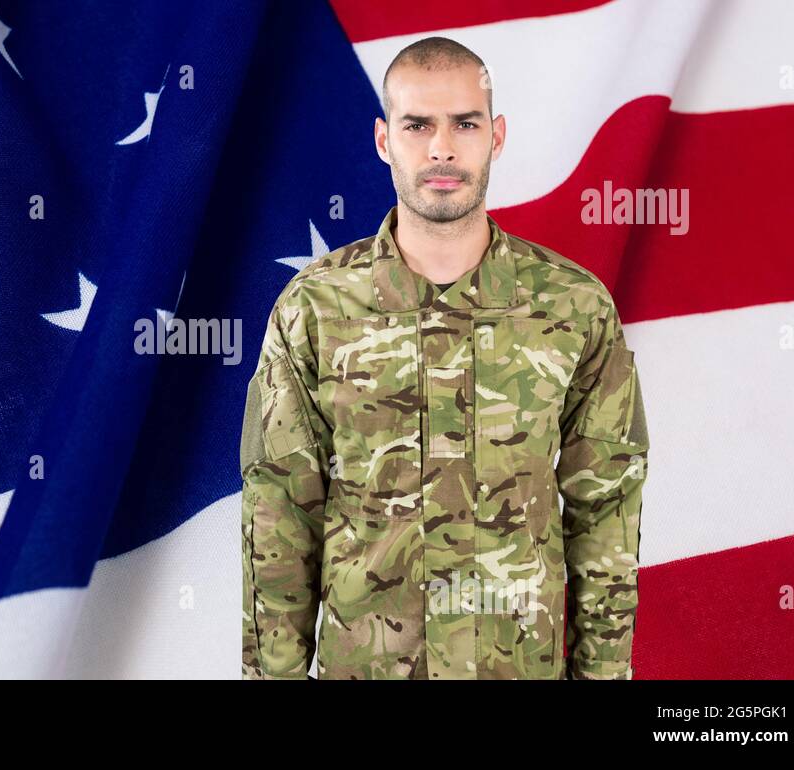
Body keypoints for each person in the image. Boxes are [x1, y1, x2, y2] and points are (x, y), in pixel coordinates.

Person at [240, 36, 648, 680]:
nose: (442, 148)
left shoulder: (573, 308)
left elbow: (607, 513)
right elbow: (280, 517)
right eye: (417, 125)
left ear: (497, 135)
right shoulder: (313, 310)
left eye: (465, 123)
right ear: (384, 140)